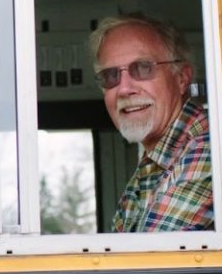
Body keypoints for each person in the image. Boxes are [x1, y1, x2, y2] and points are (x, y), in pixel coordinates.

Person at [88, 14, 214, 232]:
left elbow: (147, 260)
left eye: (144, 68)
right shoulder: (152, 165)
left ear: (182, 78)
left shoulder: (208, 149)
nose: (124, 89)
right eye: (110, 76)